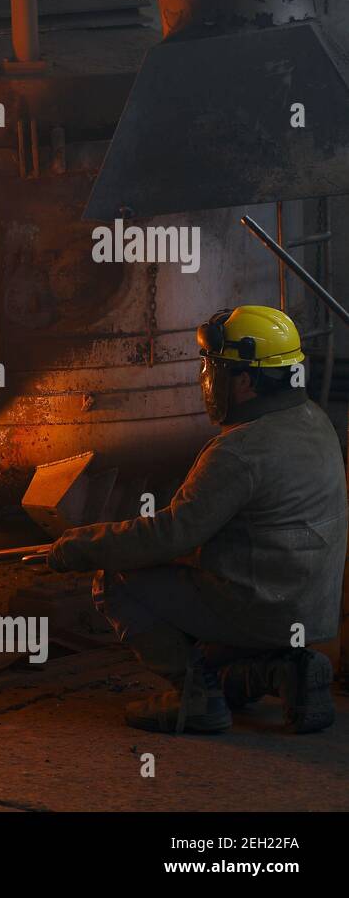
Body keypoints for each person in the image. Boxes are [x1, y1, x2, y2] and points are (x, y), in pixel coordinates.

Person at [48, 305, 345, 734]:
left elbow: (169, 536)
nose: (206, 377)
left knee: (116, 581)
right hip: (309, 608)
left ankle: (196, 699)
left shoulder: (238, 452)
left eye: (214, 367)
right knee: (213, 652)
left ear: (244, 380)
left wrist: (82, 545)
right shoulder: (315, 420)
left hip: (262, 606)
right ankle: (288, 670)